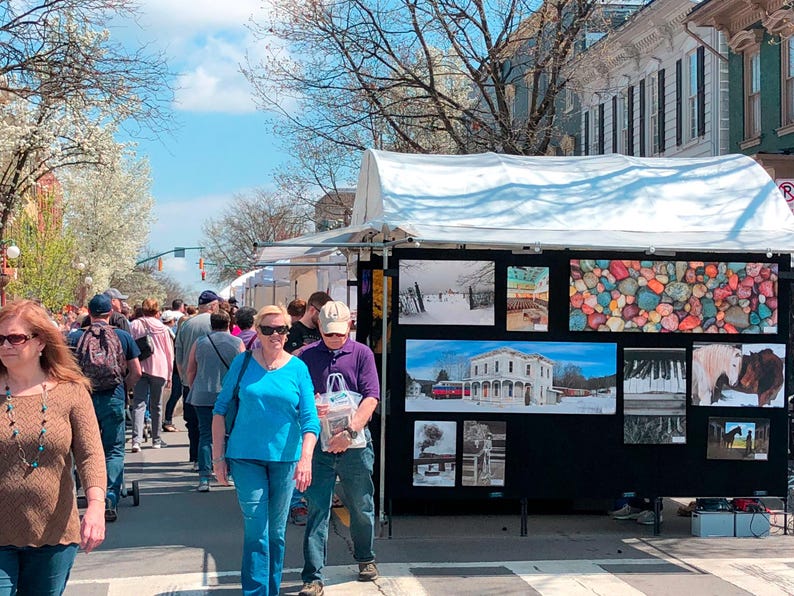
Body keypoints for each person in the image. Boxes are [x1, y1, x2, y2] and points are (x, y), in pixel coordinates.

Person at [211, 305, 320, 596]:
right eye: (268, 329)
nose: (275, 335)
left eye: (281, 329)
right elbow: (220, 410)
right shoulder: (243, 362)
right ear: (257, 331)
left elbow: (310, 419)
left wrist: (306, 458)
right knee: (257, 529)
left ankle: (271, 590)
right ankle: (256, 592)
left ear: (288, 332)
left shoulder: (298, 368)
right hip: (246, 457)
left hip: (285, 459)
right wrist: (218, 458)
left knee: (277, 533)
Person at [0, 300, 107, 594]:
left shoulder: (71, 391)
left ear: (40, 342)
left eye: (15, 337)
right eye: (0, 339)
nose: (6, 345)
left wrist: (96, 507)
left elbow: (90, 454)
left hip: (54, 532)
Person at [298, 301, 381, 595]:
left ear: (349, 326)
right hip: (320, 445)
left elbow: (371, 397)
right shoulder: (306, 356)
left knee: (361, 506)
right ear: (319, 326)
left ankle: (365, 557)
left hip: (355, 444)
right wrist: (310, 408)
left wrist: (351, 430)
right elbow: (298, 394)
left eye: (340, 333)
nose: (334, 339)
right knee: (317, 509)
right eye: (329, 333)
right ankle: (313, 577)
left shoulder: (362, 354)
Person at [68, 294, 142, 522]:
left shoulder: (74, 337)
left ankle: (82, 490)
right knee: (114, 449)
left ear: (88, 313)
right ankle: (110, 496)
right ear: (111, 313)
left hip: (83, 400)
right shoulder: (122, 337)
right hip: (114, 398)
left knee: (81, 448)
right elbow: (137, 371)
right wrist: (124, 388)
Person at [284, 292, 331, 525]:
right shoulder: (294, 332)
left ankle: (316, 495)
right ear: (312, 310)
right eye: (321, 315)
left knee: (321, 453)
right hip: (302, 398)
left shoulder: (322, 332)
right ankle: (296, 503)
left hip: (325, 401)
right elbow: (286, 360)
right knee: (301, 452)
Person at [185, 310, 243, 492]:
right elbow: (243, 369)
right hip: (228, 395)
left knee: (205, 435)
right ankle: (230, 473)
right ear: (229, 324)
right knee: (229, 434)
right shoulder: (237, 342)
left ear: (211, 324)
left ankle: (204, 477)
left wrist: (194, 387)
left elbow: (191, 369)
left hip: (202, 394)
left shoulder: (201, 342)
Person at [175, 290, 221, 466]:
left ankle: (195, 457)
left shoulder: (186, 324)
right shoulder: (216, 324)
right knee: (214, 425)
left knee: (193, 423)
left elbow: (178, 353)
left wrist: (183, 377)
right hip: (213, 381)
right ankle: (213, 459)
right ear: (213, 306)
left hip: (189, 380)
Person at [129, 298, 174, 452]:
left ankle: (136, 440)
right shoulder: (163, 327)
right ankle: (156, 439)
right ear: (156, 310)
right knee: (157, 405)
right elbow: (169, 353)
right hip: (159, 368)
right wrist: (169, 373)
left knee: (139, 404)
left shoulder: (135, 324)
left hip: (140, 367)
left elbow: (130, 347)